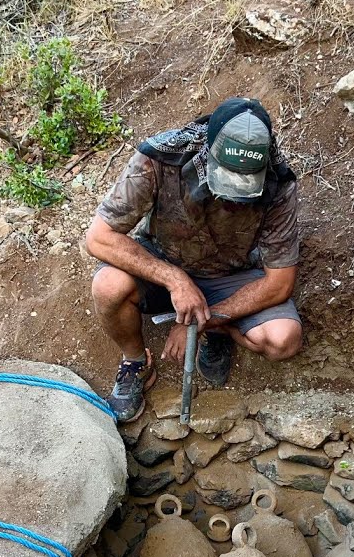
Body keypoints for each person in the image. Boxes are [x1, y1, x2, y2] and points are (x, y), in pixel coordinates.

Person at [86, 96, 303, 423]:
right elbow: (99, 237)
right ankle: (135, 363)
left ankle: (218, 332)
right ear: (206, 150)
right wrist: (176, 280)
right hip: (165, 259)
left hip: (233, 274)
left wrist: (201, 321)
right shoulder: (160, 158)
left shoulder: (279, 184)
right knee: (108, 286)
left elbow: (279, 282)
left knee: (282, 339)